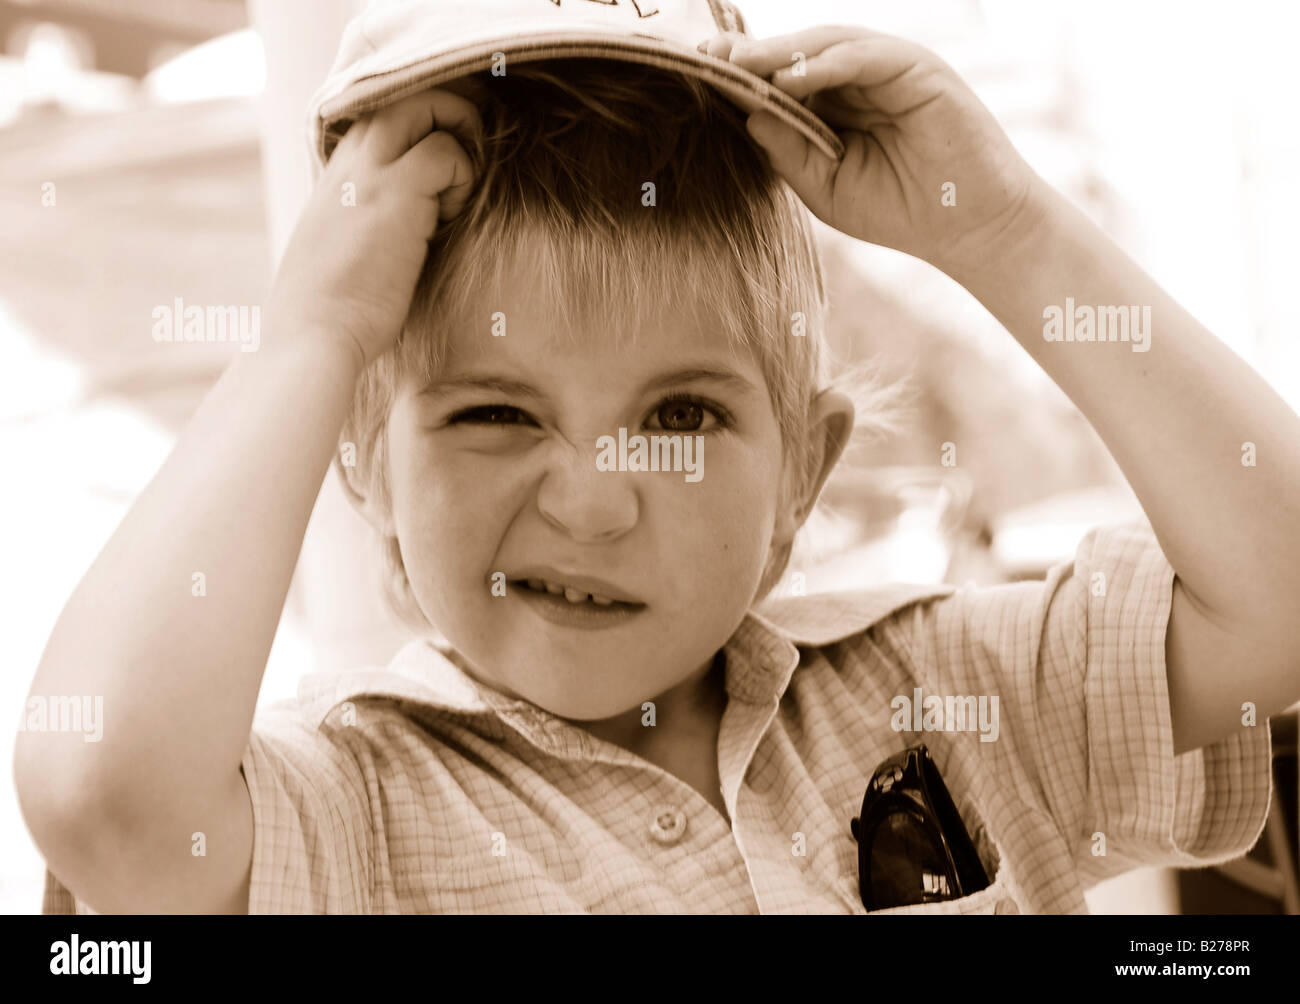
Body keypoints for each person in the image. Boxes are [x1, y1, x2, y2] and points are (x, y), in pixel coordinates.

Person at [17, 13, 1292, 913]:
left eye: (680, 415)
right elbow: (101, 790)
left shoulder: (947, 685)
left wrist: (1007, 230)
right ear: (357, 461)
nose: (589, 496)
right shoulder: (353, 807)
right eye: (492, 415)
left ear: (803, 476)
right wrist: (311, 337)